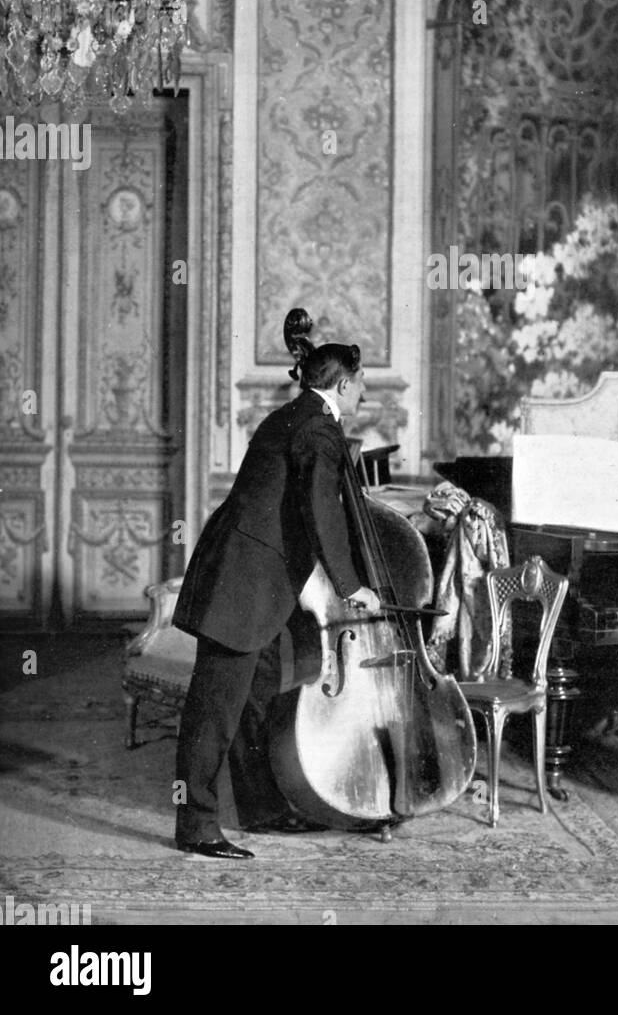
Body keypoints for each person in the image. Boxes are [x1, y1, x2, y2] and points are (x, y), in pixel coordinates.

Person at [172, 342, 381, 858]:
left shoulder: (297, 416)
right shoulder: (317, 425)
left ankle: (261, 808)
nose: (362, 392)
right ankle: (196, 825)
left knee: (256, 694)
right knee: (215, 707)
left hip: (259, 578)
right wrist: (351, 586)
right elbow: (319, 510)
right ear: (344, 384)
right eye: (360, 384)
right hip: (242, 580)